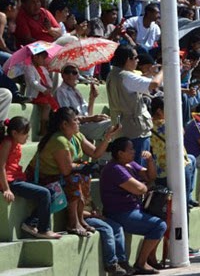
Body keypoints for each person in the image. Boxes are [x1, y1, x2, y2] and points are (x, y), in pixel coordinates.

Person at [30, 107, 118, 237]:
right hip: (44, 177)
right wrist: (82, 166)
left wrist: (107, 137)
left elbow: (95, 153)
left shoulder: (77, 136)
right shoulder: (59, 140)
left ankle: (80, 218)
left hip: (60, 175)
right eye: (75, 120)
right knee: (75, 177)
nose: (78, 122)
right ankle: (73, 221)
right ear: (64, 124)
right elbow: (66, 170)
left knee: (85, 175)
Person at [100, 137, 167, 275]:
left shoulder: (130, 164)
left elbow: (151, 176)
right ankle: (141, 263)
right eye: (130, 149)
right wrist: (146, 186)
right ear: (120, 153)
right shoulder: (115, 169)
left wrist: (149, 160)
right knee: (159, 225)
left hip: (134, 209)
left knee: (163, 216)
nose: (134, 151)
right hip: (120, 213)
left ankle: (150, 259)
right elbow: (140, 189)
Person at [0, 117, 61, 239]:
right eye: (24, 133)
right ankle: (43, 230)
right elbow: (1, 166)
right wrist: (6, 189)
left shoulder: (17, 143)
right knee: (44, 193)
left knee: (54, 192)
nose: (27, 136)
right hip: (11, 182)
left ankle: (30, 223)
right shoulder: (7, 143)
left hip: (18, 179)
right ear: (14, 133)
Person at [106, 45, 162, 165]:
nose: (138, 61)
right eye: (135, 58)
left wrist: (148, 74)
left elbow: (132, 83)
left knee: (128, 167)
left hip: (122, 128)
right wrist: (164, 70)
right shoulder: (127, 76)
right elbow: (154, 84)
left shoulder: (113, 74)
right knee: (138, 168)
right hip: (136, 131)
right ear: (127, 59)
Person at [55, 65, 112, 142]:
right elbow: (68, 118)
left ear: (78, 75)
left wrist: (92, 98)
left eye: (74, 72)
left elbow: (88, 115)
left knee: (116, 121)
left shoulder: (76, 91)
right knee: (114, 124)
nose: (70, 75)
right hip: (76, 127)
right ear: (62, 75)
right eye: (67, 72)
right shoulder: (61, 91)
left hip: (86, 125)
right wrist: (92, 118)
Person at [23, 50, 58, 136]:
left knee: (55, 106)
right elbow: (32, 82)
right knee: (47, 106)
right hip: (35, 94)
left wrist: (49, 86)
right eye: (43, 58)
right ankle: (43, 128)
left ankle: (51, 127)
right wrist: (43, 89)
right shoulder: (29, 67)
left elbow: (48, 80)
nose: (44, 60)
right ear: (35, 57)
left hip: (44, 93)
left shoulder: (42, 68)